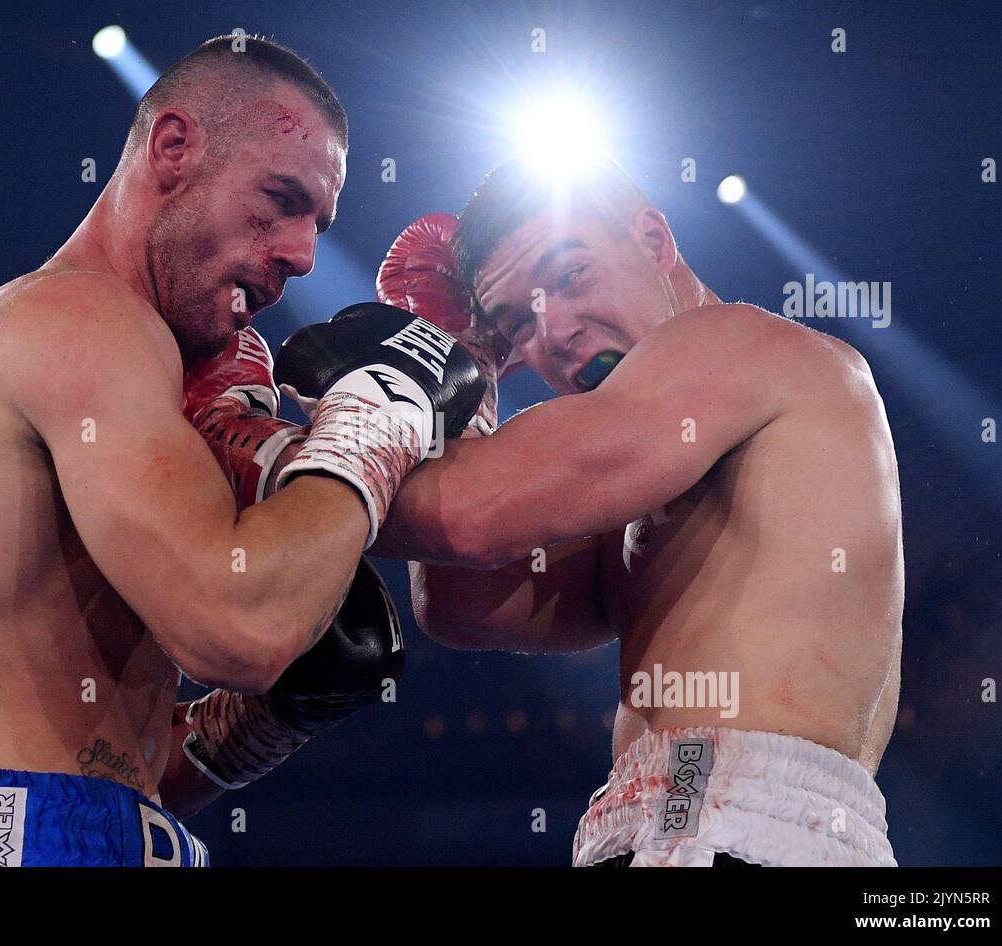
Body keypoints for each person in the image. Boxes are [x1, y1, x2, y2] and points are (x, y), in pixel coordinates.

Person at [0, 35, 480, 867]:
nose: (301, 252)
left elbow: (107, 776)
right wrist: (378, 413)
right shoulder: (79, 320)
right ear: (174, 147)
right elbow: (238, 627)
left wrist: (251, 729)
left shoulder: (138, 361)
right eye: (281, 198)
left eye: (317, 224)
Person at [370, 158, 903, 866]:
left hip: (719, 817)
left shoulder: (733, 343)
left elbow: (469, 513)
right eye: (512, 324)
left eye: (570, 277)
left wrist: (288, 464)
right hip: (700, 818)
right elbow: (466, 598)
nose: (552, 332)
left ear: (654, 241)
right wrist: (459, 377)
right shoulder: (652, 477)